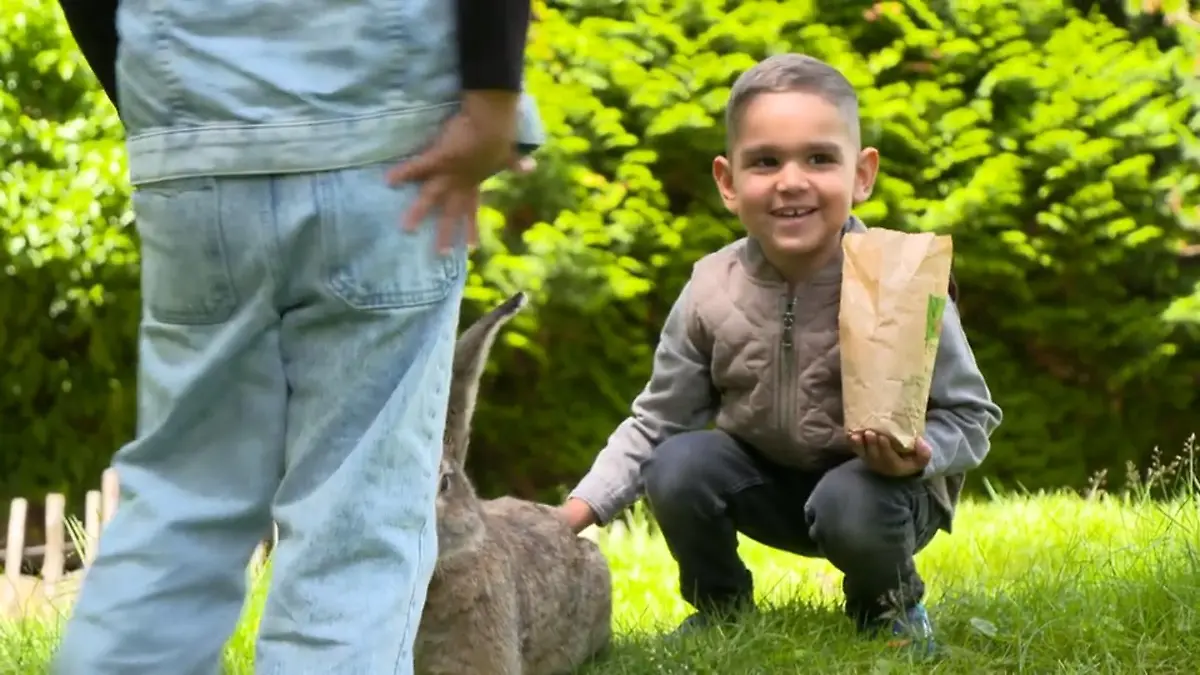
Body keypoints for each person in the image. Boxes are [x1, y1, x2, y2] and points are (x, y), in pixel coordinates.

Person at [51, 1, 543, 674]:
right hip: (383, 128)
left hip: (190, 130)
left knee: (181, 503)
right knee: (354, 524)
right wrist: (492, 95)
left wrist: (165, 103)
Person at [556, 53, 1003, 655]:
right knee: (679, 463)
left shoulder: (902, 281)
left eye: (820, 158)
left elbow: (972, 417)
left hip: (880, 496)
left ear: (862, 174)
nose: (791, 181)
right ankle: (721, 610)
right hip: (765, 484)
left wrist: (920, 459)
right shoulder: (710, 289)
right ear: (728, 182)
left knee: (852, 500)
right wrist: (570, 519)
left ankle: (888, 611)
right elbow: (656, 423)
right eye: (765, 162)